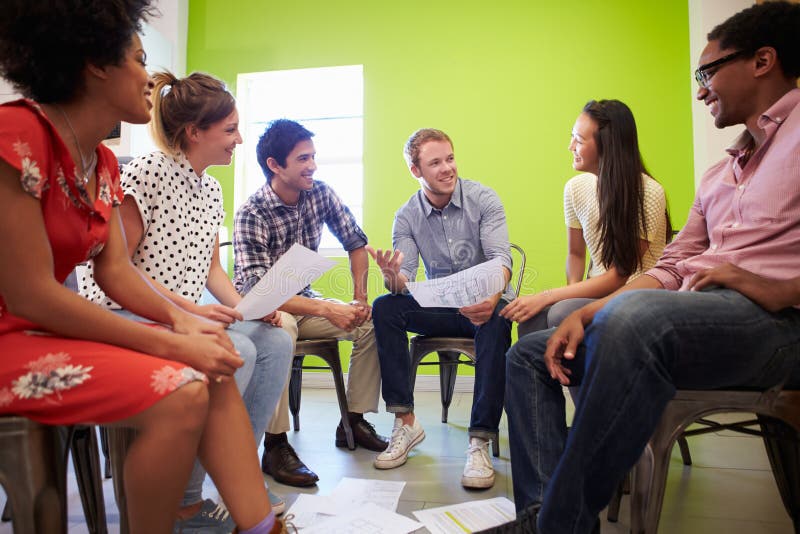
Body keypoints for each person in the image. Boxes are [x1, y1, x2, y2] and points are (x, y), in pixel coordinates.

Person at [494, 2, 800, 532]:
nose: (701, 90)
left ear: (762, 61)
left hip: (778, 325)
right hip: (701, 314)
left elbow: (645, 275)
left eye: (707, 72)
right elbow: (675, 264)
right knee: (527, 354)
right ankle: (544, 511)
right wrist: (587, 313)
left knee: (634, 318)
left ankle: (556, 528)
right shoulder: (719, 173)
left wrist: (776, 287)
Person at [0, 1, 288, 533]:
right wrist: (173, 336)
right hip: (15, 336)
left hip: (50, 329)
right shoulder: (16, 134)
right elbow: (30, 295)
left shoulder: (103, 162)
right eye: (137, 59)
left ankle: (262, 525)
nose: (149, 79)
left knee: (216, 361)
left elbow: (115, 271)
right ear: (95, 64)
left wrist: (186, 321)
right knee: (185, 382)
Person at [78, 71, 293, 531]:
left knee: (273, 341)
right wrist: (192, 312)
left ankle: (241, 477)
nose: (239, 140)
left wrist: (247, 308)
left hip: (180, 313)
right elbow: (121, 270)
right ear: (195, 132)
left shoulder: (212, 189)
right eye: (230, 130)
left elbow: (212, 270)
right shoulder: (147, 172)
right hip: (125, 310)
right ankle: (185, 503)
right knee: (240, 349)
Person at [233, 118, 387, 487]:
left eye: (313, 156)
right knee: (282, 327)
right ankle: (275, 445)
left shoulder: (321, 193)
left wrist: (359, 299)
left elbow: (355, 242)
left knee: (370, 321)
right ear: (275, 165)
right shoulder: (252, 213)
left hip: (305, 302)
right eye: (303, 158)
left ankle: (353, 419)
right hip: (260, 311)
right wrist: (327, 308)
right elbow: (260, 293)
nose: (313, 166)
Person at [368, 128, 513, 489]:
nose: (447, 168)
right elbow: (407, 279)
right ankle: (406, 423)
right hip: (442, 307)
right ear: (416, 171)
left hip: (486, 303)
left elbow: (501, 259)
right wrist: (391, 277)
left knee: (497, 320)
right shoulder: (406, 217)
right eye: (435, 162)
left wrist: (492, 298)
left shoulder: (484, 199)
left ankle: (479, 439)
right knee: (386, 306)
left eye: (450, 158)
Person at [501, 100, 669, 337]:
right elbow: (576, 254)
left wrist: (548, 296)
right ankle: (549, 373)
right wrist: (572, 291)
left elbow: (618, 278)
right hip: (598, 289)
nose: (570, 146)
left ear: (607, 146)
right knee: (531, 318)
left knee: (560, 313)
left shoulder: (649, 193)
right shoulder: (575, 188)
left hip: (637, 292)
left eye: (579, 140)